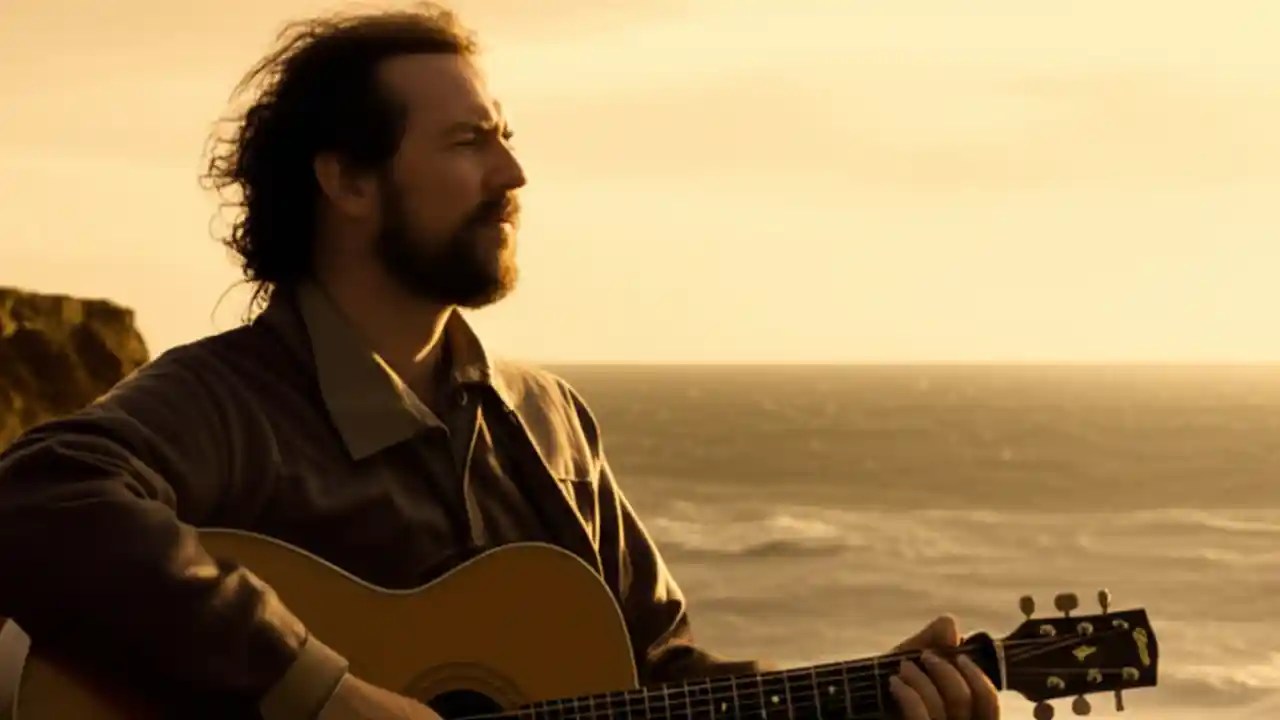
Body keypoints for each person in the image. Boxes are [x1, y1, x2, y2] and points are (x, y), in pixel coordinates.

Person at [0, 4, 999, 720]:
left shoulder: (547, 420)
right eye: (469, 142)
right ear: (347, 178)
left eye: (506, 140)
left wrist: (867, 693)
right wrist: (323, 692)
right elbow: (37, 499)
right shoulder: (231, 401)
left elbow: (650, 677)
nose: (513, 174)